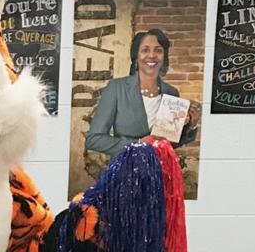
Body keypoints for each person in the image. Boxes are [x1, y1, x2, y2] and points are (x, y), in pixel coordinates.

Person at [85, 28, 200, 156]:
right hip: (125, 171)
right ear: (136, 56)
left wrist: (192, 125)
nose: (152, 55)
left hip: (159, 171)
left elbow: (169, 143)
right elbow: (94, 140)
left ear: (164, 56)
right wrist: (138, 144)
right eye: (145, 50)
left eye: (158, 50)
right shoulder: (117, 88)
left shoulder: (171, 93)